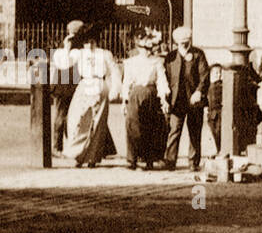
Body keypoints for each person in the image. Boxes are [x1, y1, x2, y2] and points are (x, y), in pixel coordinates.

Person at [63, 25, 120, 167]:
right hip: (84, 86)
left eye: (91, 41)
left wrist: (114, 89)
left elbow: (114, 71)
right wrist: (67, 46)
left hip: (99, 86)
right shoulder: (79, 53)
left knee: (97, 123)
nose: (89, 44)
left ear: (96, 41)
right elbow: (65, 62)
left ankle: (92, 158)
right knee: (78, 119)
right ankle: (78, 154)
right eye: (86, 42)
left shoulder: (105, 54)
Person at [163, 26, 210, 171]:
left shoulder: (198, 55)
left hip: (194, 100)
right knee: (174, 131)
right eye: (181, 43)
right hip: (176, 101)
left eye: (186, 42)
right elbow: (165, 78)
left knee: (195, 132)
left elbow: (205, 76)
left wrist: (199, 92)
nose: (184, 45)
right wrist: (165, 98)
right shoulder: (170, 57)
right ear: (176, 42)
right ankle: (170, 162)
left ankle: (193, 163)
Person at [121, 34, 169, 170]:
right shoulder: (131, 62)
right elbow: (126, 82)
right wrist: (124, 101)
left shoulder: (157, 62)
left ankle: (149, 160)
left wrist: (164, 98)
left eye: (150, 48)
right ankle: (132, 159)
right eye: (144, 48)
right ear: (138, 48)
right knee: (132, 124)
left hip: (151, 94)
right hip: (135, 95)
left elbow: (161, 80)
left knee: (150, 126)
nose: (147, 51)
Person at [50, 23, 82, 155]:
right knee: (62, 116)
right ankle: (57, 147)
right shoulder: (71, 45)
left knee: (65, 116)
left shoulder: (66, 45)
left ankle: (63, 146)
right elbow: (66, 63)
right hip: (66, 85)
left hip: (66, 84)